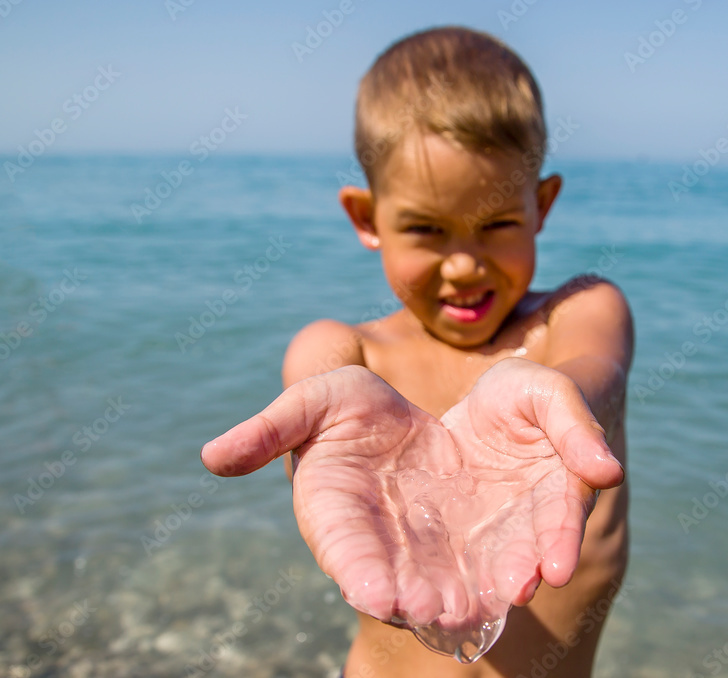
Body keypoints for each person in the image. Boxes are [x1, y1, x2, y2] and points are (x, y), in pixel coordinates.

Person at [201, 26, 634, 678]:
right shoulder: (349, 354)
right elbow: (320, 378)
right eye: (427, 229)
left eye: (497, 225)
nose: (464, 264)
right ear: (367, 218)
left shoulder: (576, 316)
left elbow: (592, 367)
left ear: (541, 204)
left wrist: (556, 398)